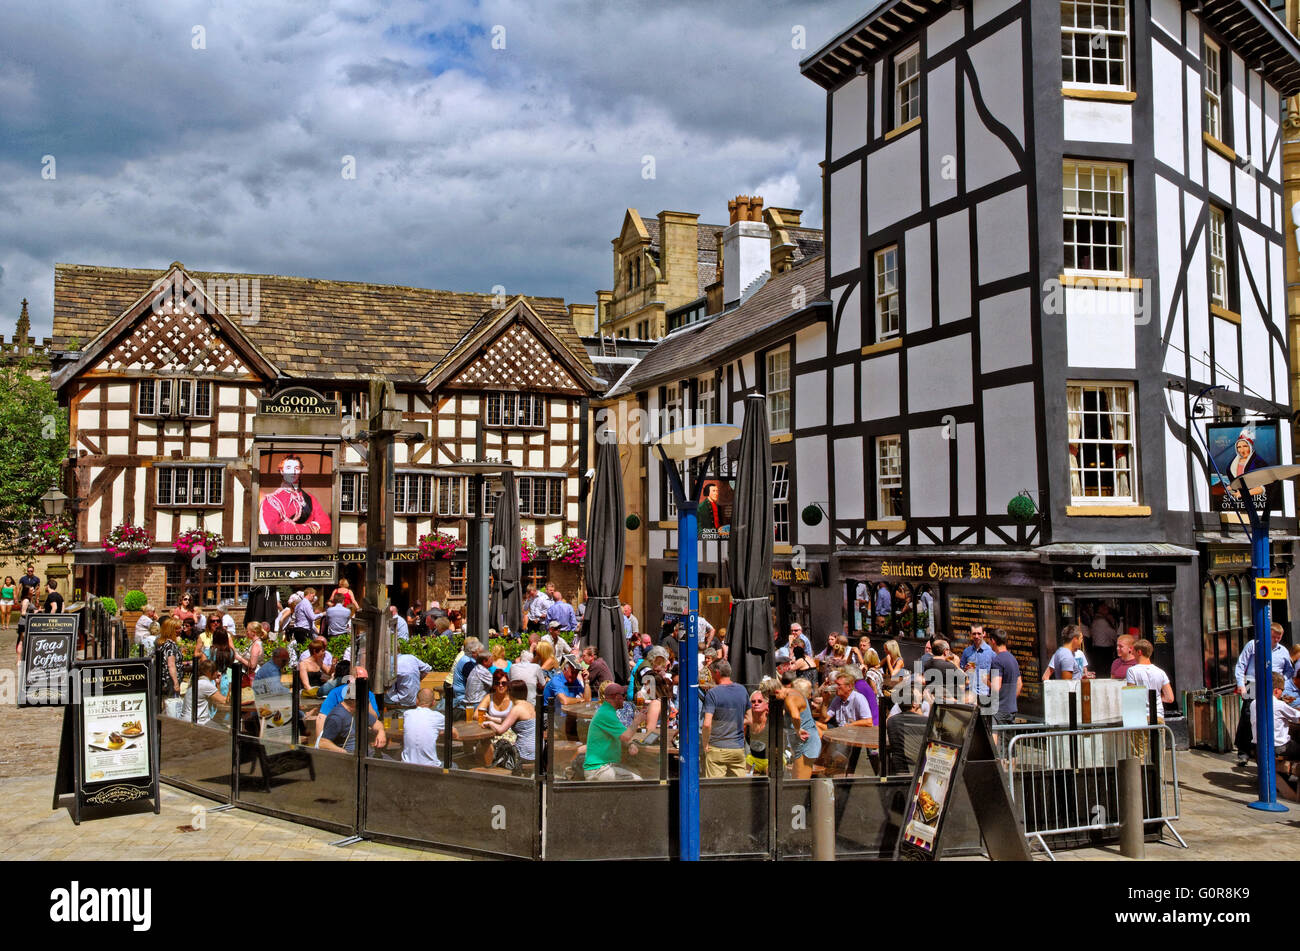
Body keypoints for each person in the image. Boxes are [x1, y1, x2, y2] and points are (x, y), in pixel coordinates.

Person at [1234, 622, 1294, 764]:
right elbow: (1241, 664)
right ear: (1268, 634)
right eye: (1274, 637)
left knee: (1273, 715)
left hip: (1273, 687)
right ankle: (1244, 751)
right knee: (1248, 716)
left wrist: (1281, 682)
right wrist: (1241, 684)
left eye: (1279, 637)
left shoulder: (1283, 651)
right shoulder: (1253, 645)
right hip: (1253, 682)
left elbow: (1289, 670)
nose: (1277, 640)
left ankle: (1266, 748)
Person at [761, 672, 820, 779]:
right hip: (799, 744)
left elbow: (796, 716)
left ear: (777, 691)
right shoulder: (791, 693)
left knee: (800, 783)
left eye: (773, 698)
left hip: (805, 742)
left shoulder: (790, 698)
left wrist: (798, 730)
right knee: (795, 780)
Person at [259, 452, 332, 535]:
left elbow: (326, 525)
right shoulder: (271, 501)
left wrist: (295, 528)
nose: (293, 472)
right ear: (282, 471)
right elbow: (276, 529)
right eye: (288, 468)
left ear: (300, 472)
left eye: (296, 468)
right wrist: (310, 528)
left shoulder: (310, 499)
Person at [700, 659, 749, 777]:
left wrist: (705, 744)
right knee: (740, 789)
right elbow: (750, 718)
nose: (711, 675)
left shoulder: (713, 693)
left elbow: (707, 724)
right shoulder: (742, 690)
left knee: (715, 789)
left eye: (711, 672)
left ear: (717, 673)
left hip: (717, 748)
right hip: (737, 748)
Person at [583, 682, 641, 781]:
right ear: (615, 697)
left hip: (606, 766)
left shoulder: (608, 710)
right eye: (623, 695)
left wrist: (630, 744)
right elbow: (625, 736)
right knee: (638, 781)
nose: (624, 698)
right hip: (598, 769)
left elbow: (621, 735)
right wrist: (637, 720)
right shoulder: (606, 713)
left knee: (637, 772)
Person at [822, 670, 874, 774]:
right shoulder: (837, 699)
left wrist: (850, 725)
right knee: (817, 727)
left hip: (854, 737)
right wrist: (825, 701)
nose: (836, 687)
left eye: (839, 685)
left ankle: (833, 769)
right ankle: (825, 766)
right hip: (842, 735)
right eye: (835, 684)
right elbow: (824, 719)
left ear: (849, 686)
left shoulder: (858, 698)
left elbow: (869, 722)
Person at [319, 682, 386, 753]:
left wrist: (381, 731)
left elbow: (377, 723)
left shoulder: (359, 712)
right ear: (355, 701)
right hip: (351, 759)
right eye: (365, 701)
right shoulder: (336, 717)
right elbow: (323, 743)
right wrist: (343, 752)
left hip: (367, 754)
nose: (367, 704)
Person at [1125, 638, 1175, 721]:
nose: (1132, 654)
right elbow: (1170, 698)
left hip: (1139, 717)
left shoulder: (1132, 671)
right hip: (1158, 716)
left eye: (1133, 651)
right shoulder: (1161, 672)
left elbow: (1131, 696)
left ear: (1139, 652)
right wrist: (1156, 697)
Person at [402, 688, 451, 768]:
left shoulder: (407, 714)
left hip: (407, 765)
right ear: (434, 702)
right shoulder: (438, 717)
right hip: (431, 768)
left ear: (416, 701)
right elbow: (453, 731)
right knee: (455, 765)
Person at [887, 686, 929, 775]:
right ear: (914, 704)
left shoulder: (892, 721)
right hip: (918, 770)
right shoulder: (926, 722)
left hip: (898, 769)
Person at [987, 629, 1022, 723]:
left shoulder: (997, 661)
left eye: (989, 641)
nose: (989, 643)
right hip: (1011, 709)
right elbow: (1019, 684)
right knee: (1008, 738)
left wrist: (986, 681)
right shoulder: (1013, 659)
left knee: (994, 737)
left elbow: (996, 687)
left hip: (998, 711)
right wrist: (1010, 700)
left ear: (993, 641)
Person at [959, 625, 994, 703]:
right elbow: (961, 671)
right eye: (974, 634)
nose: (976, 636)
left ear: (984, 634)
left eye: (979, 633)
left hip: (985, 694)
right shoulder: (966, 652)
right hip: (970, 693)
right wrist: (965, 669)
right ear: (971, 634)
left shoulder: (991, 652)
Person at [154, 618, 185, 699]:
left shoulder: (164, 643)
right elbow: (171, 665)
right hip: (170, 680)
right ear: (170, 630)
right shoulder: (170, 646)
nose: (181, 630)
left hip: (167, 680)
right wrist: (176, 683)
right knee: (171, 703)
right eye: (177, 628)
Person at [192, 659, 228, 726]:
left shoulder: (198, 681)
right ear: (210, 672)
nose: (218, 673)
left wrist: (218, 684)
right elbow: (223, 701)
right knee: (226, 733)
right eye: (216, 671)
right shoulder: (205, 684)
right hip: (199, 722)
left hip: (192, 720)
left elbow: (216, 701)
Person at [744, 690, 770, 775]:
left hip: (771, 759)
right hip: (753, 759)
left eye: (760, 701)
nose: (756, 703)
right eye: (753, 701)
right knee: (743, 775)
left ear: (766, 704)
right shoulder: (747, 721)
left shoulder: (772, 719)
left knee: (771, 775)